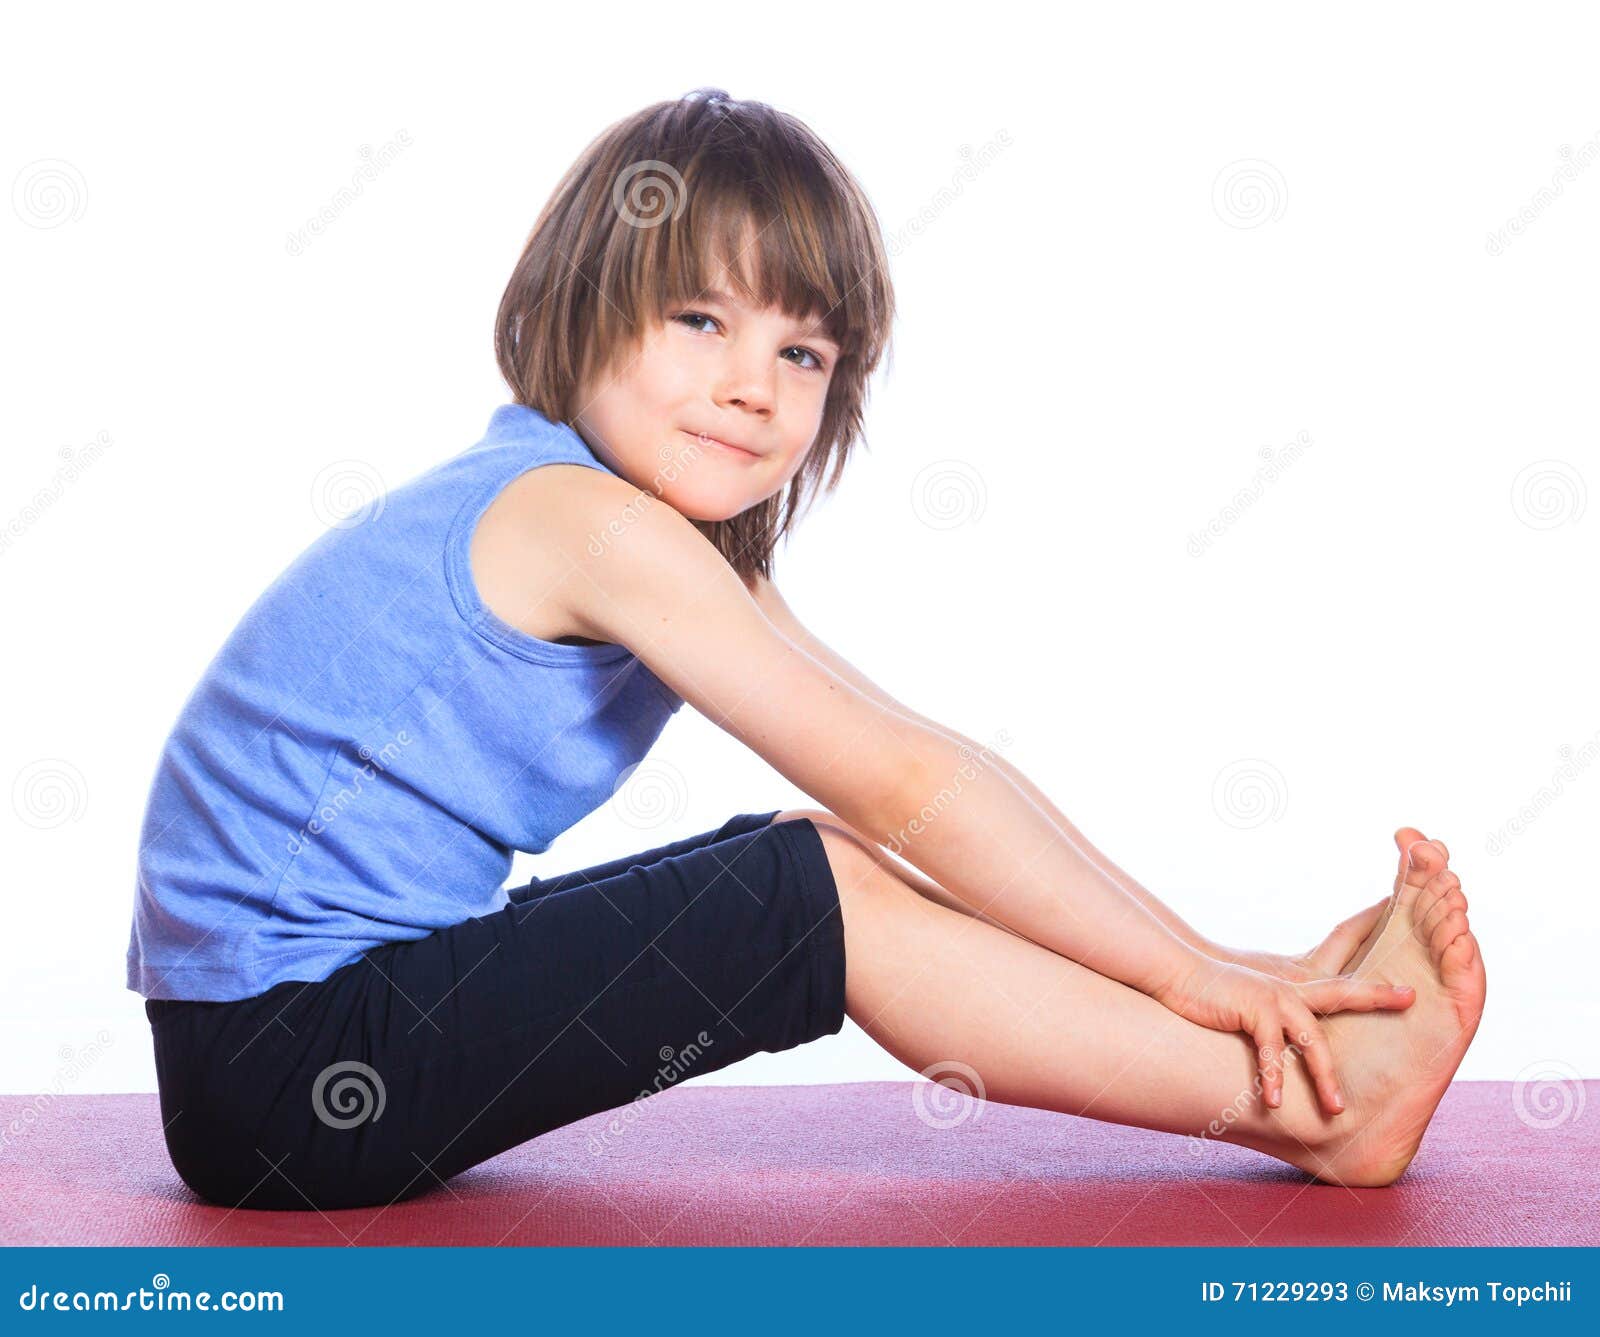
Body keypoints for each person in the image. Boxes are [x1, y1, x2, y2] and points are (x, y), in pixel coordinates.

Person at [128, 87, 1485, 1212]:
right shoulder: (579, 526)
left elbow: (920, 757)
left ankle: (1281, 1061)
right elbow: (904, 785)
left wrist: (1221, 965)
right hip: (289, 1075)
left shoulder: (652, 536)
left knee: (807, 856)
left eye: (804, 351)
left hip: (296, 1055)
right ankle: (1310, 1105)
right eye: (701, 321)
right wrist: (1196, 977)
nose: (752, 387)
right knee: (803, 893)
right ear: (581, 305)